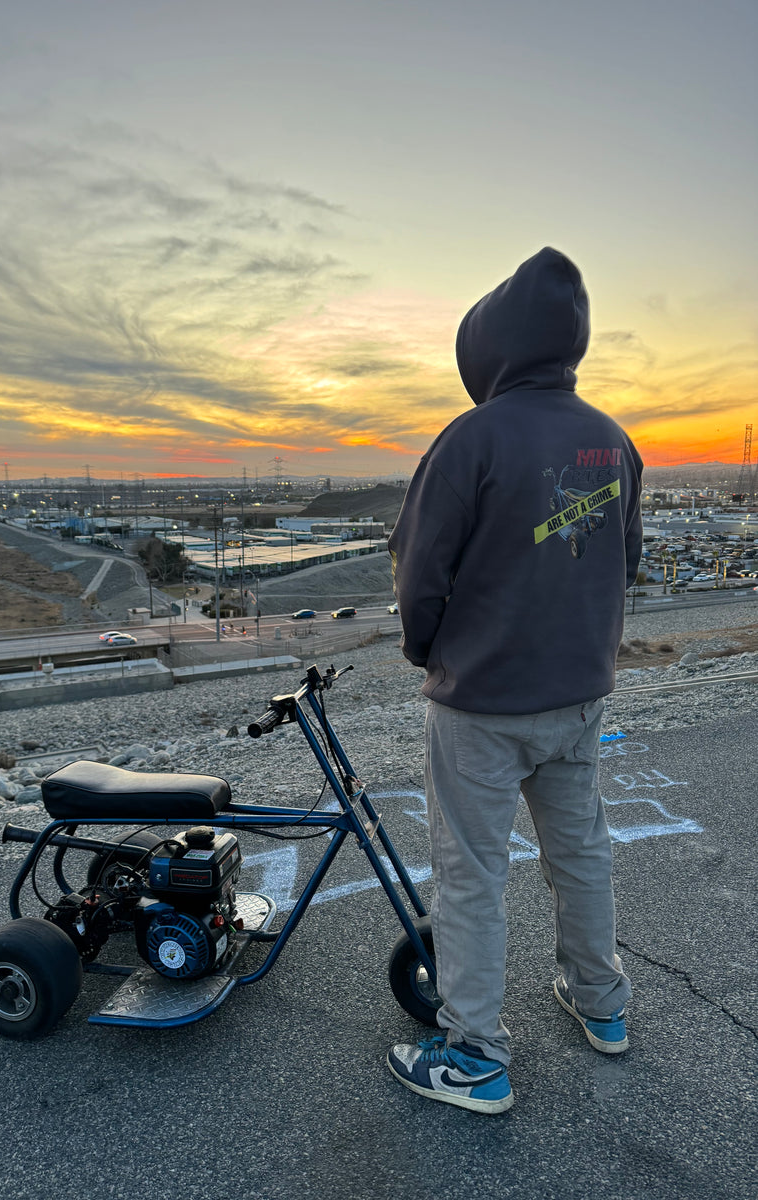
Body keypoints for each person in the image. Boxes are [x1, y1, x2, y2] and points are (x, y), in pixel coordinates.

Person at [386, 247, 643, 1114]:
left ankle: (476, 1057)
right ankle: (603, 1006)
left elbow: (419, 575)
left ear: (489, 343)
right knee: (582, 853)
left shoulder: (471, 439)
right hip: (578, 695)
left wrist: (430, 652)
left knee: (470, 876)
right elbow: (624, 562)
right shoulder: (613, 441)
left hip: (482, 704)